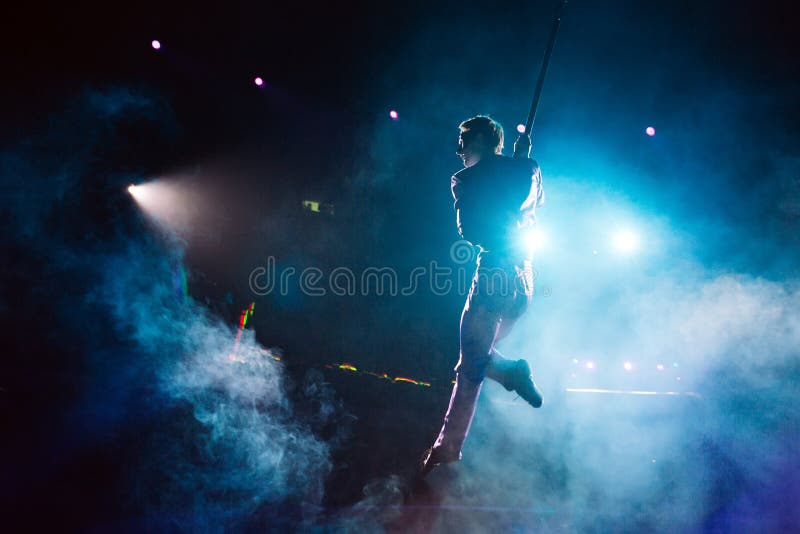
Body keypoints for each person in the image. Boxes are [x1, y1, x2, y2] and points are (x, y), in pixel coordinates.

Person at [421, 115, 544, 476]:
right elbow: (532, 205)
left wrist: (505, 170)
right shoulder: (530, 168)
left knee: (470, 368)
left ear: (476, 141)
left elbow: (469, 229)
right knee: (474, 358)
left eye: (463, 143)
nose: (459, 152)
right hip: (525, 280)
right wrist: (519, 164)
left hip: (495, 274)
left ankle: (446, 449)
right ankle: (509, 373)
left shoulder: (465, 178)